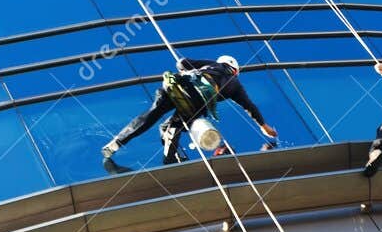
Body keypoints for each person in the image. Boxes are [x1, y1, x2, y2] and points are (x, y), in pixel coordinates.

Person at [102, 54, 278, 169]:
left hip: (179, 87)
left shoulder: (212, 65)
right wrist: (263, 126)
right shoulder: (235, 84)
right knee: (178, 123)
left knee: (150, 117)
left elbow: (182, 62)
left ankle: (117, 142)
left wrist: (187, 71)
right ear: (235, 70)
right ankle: (171, 156)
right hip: (197, 100)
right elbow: (249, 106)